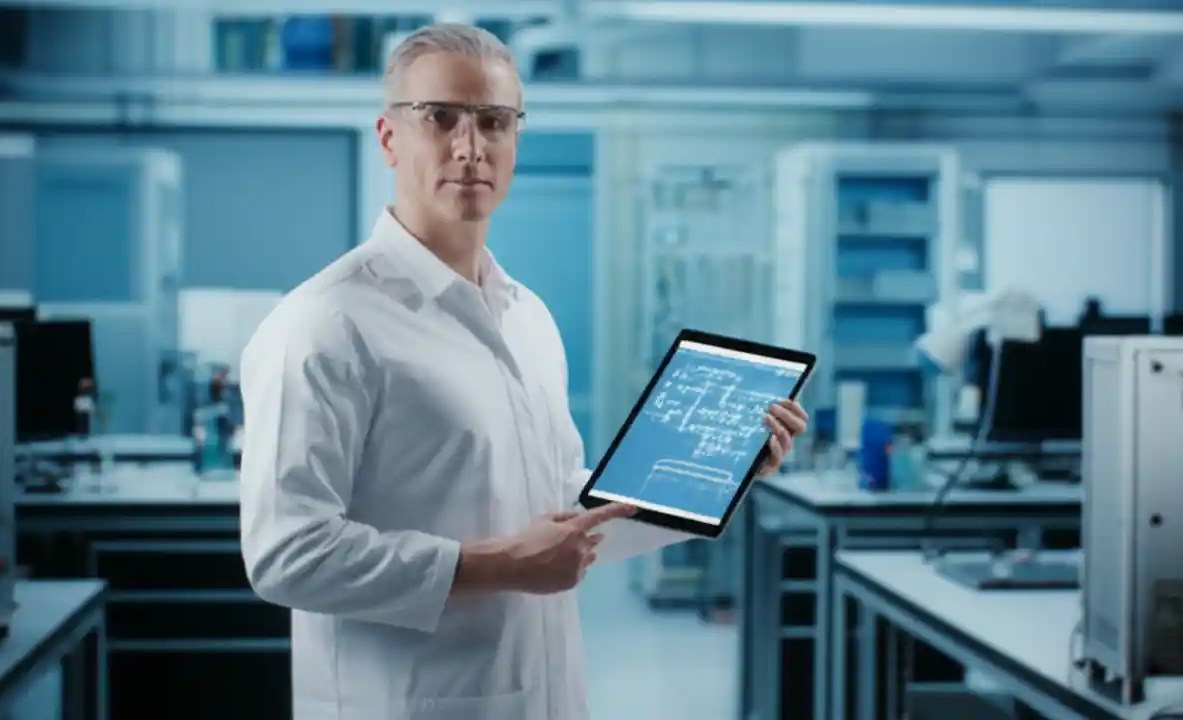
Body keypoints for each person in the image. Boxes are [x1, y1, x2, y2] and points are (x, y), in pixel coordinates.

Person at [238, 23, 809, 720]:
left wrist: (722, 472)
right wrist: (498, 565)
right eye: (440, 117)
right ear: (388, 138)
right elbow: (286, 553)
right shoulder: (327, 322)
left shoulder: (527, 316)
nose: (471, 146)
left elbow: (564, 513)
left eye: (494, 121)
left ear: (516, 139)